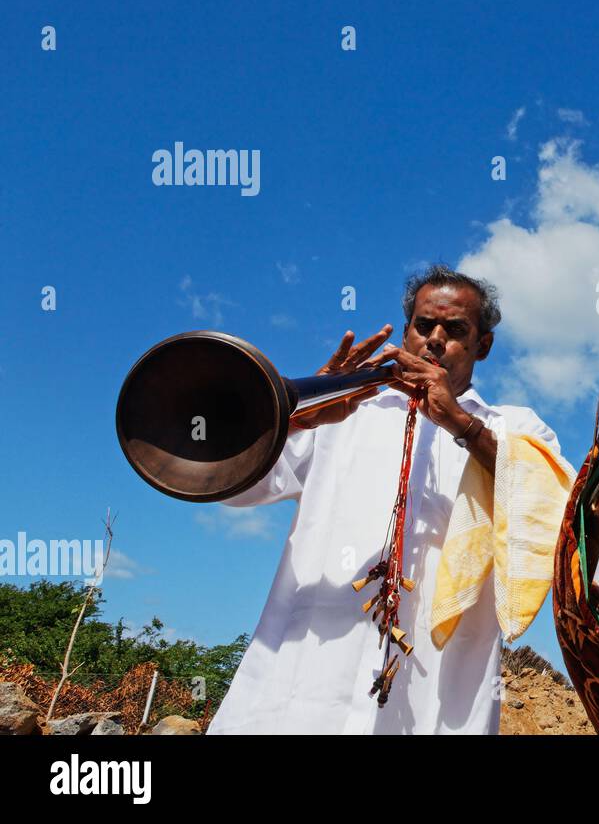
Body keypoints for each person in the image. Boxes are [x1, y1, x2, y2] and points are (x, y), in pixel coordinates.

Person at [206, 264, 572, 734]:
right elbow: (237, 487)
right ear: (406, 332)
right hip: (305, 681)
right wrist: (300, 415)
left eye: (455, 329)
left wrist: (460, 423)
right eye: (424, 326)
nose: (435, 339)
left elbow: (552, 508)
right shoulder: (344, 415)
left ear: (483, 346)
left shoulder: (516, 429)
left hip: (435, 693)